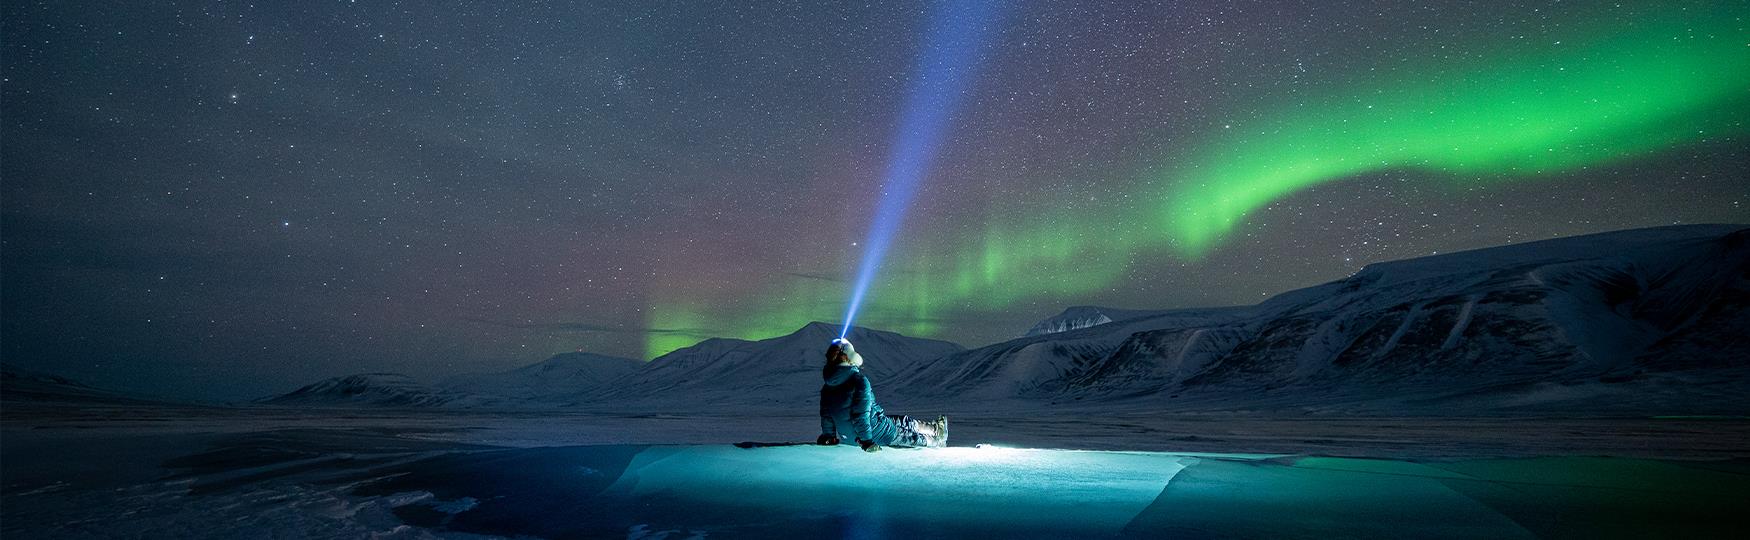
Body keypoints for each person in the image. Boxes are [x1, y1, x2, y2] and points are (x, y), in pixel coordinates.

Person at [817, 338, 947, 452]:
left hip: (851, 437)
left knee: (900, 421)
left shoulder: (827, 388)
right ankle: (937, 441)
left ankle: (935, 428)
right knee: (908, 436)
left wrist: (829, 437)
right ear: (851, 357)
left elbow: (827, 417)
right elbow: (860, 415)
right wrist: (867, 441)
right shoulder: (859, 381)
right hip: (875, 434)